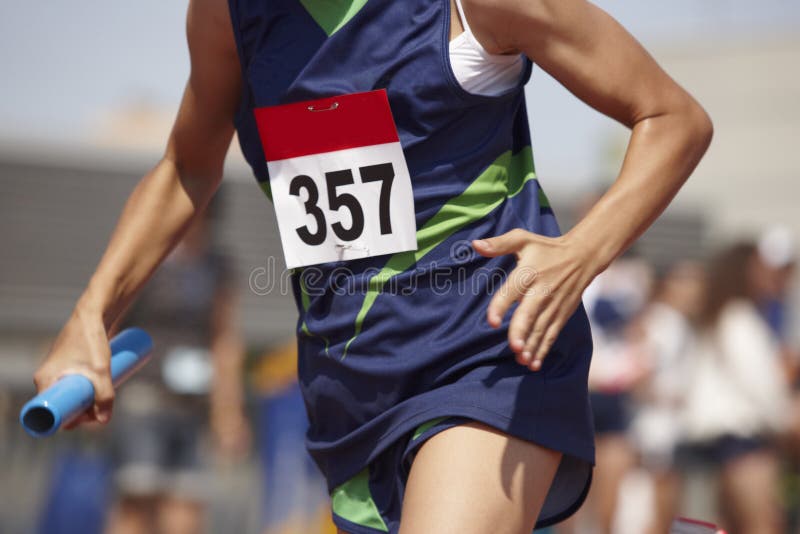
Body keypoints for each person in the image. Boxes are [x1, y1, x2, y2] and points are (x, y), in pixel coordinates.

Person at [31, 0, 712, 532]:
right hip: (349, 390)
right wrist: (89, 317)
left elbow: (673, 116)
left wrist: (580, 254)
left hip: (486, 354)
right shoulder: (230, 14)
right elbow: (187, 163)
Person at [105, 201, 250, 534]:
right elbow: (110, 326)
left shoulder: (218, 267)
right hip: (143, 398)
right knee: (136, 502)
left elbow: (224, 340)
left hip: (192, 407)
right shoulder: (144, 260)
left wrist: (228, 413)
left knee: (187, 507)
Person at [680, 243, 792, 534]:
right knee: (761, 524)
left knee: (713, 526)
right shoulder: (740, 318)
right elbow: (764, 388)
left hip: (715, 441)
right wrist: (786, 422)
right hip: (743, 440)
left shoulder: (719, 317)